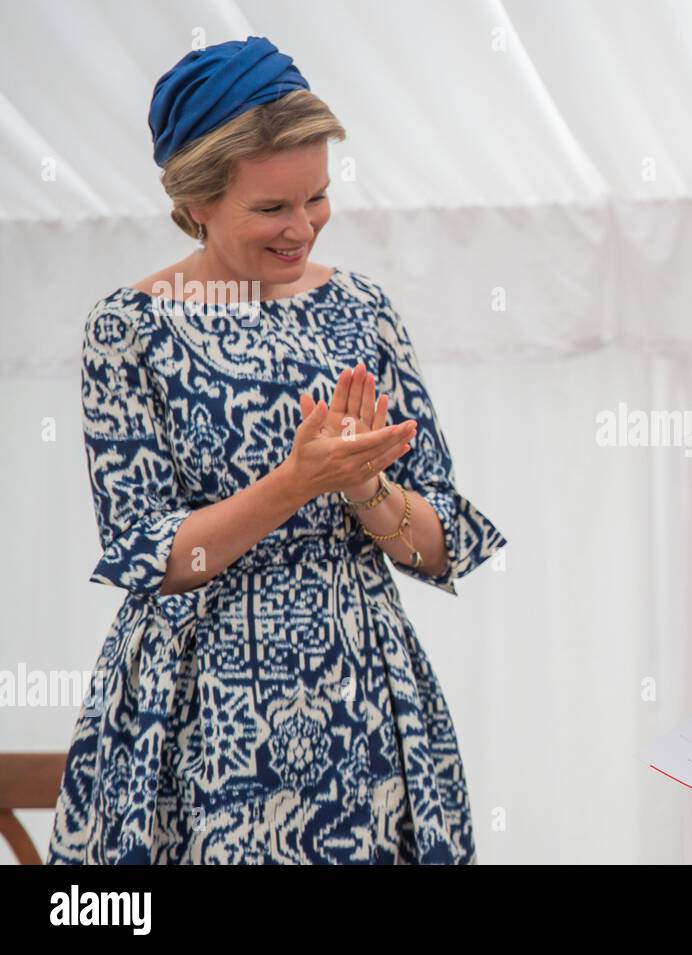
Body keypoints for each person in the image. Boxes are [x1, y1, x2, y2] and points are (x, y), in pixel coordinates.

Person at [48, 36, 505, 864]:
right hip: (199, 714)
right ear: (195, 202)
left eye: (318, 198)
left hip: (361, 706)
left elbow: (440, 548)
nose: (303, 227)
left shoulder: (364, 311)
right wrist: (295, 482)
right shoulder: (128, 329)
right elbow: (154, 556)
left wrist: (369, 490)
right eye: (272, 209)